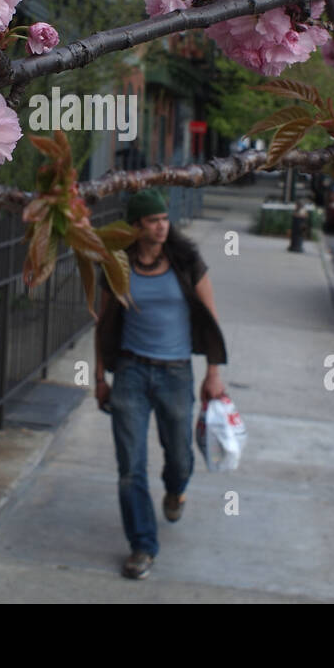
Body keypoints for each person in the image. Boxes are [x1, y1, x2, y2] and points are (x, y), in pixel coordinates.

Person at [93, 188, 228, 579]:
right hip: (131, 373)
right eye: (153, 221)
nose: (162, 225)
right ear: (136, 227)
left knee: (180, 456)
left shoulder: (187, 262)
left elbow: (211, 319)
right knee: (130, 468)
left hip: (176, 373)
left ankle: (174, 488)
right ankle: (142, 546)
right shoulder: (117, 265)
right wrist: (100, 377)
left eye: (164, 219)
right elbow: (104, 325)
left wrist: (214, 373)